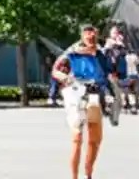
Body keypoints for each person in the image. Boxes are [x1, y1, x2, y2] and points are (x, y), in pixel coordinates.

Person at [52, 25, 111, 179]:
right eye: (88, 36)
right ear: (82, 37)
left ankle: (88, 173)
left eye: (94, 36)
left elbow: (109, 74)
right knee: (77, 139)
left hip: (94, 95)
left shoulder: (101, 54)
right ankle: (74, 176)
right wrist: (65, 77)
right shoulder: (72, 53)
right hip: (75, 94)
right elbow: (56, 70)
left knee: (95, 139)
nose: (91, 39)